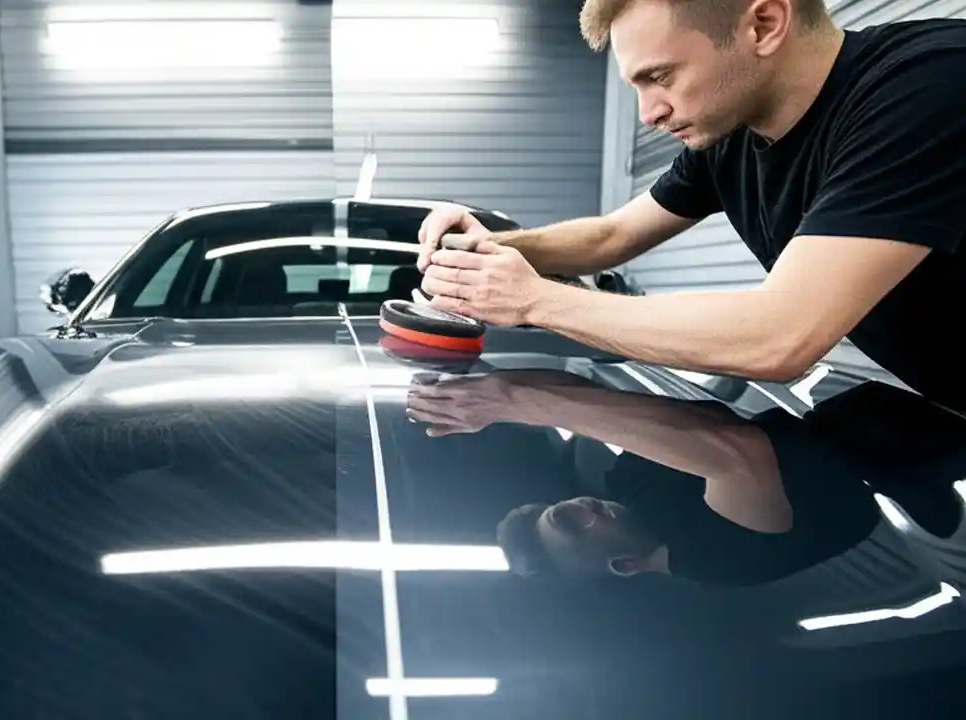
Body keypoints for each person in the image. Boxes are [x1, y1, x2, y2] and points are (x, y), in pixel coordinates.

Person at [416, 1, 966, 413]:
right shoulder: (730, 134)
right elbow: (613, 236)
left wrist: (534, 302)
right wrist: (490, 245)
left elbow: (780, 335)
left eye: (660, 76)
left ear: (764, 24)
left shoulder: (930, 84)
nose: (649, 114)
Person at [406, 369, 966, 585]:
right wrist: (519, 404)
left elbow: (597, 398)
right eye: (575, 524)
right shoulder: (713, 560)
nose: (585, 504)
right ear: (623, 565)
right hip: (934, 458)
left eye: (566, 507)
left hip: (884, 402)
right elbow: (735, 451)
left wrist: (481, 385)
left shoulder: (631, 490)